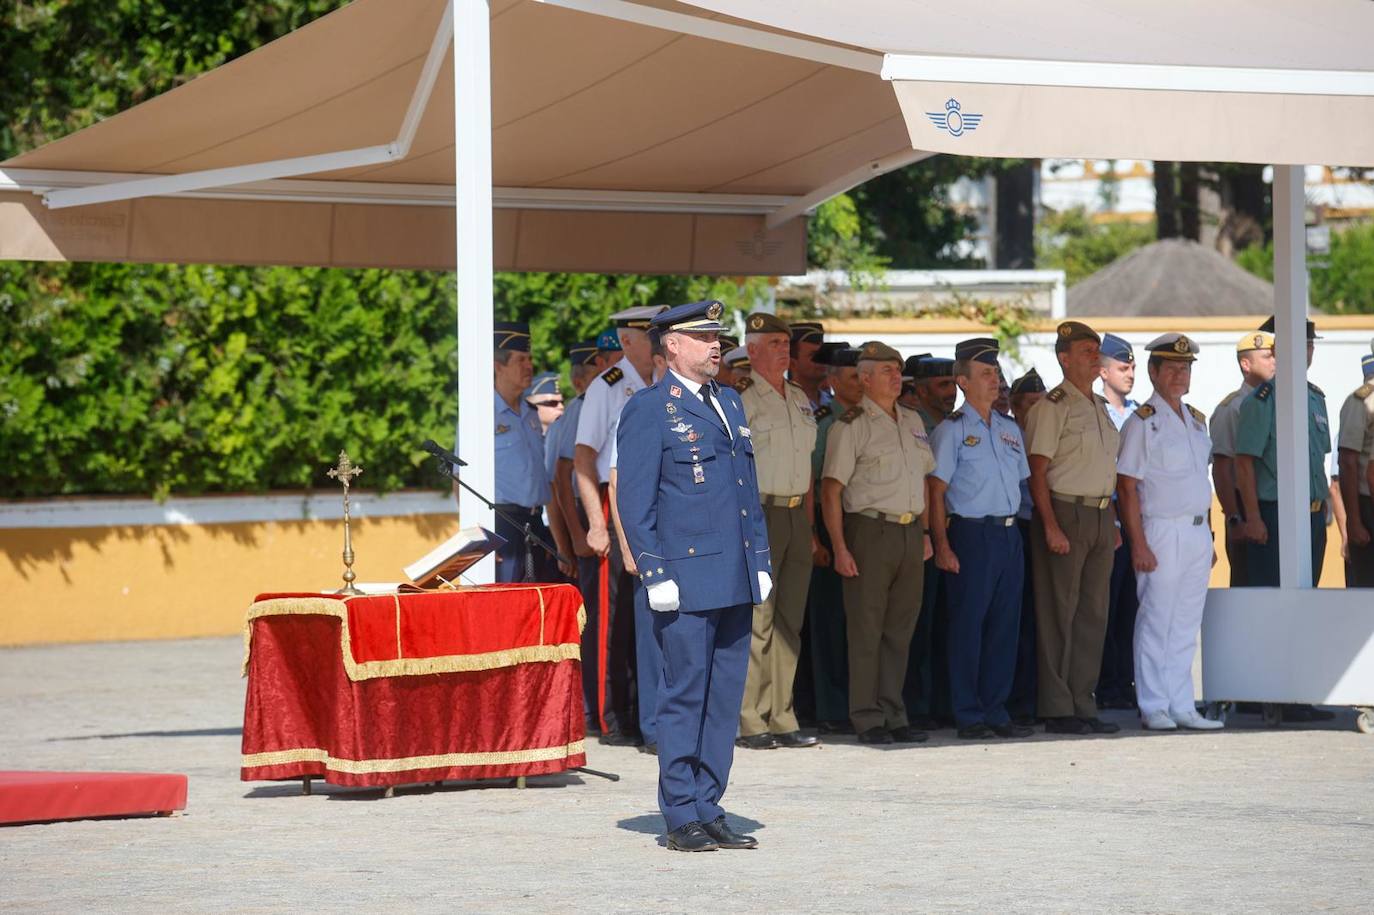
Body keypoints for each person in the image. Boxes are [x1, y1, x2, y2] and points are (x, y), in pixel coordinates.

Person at [615, 299, 771, 853]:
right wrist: (654, 571)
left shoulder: (730, 401)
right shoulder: (650, 409)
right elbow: (636, 502)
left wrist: (761, 561)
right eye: (704, 337)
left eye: (717, 337)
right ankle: (680, 812)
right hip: (684, 576)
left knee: (724, 698)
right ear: (672, 345)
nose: (716, 345)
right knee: (683, 696)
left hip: (733, 572)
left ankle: (709, 804)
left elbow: (746, 493)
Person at [822, 341, 936, 745]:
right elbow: (831, 490)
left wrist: (924, 532)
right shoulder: (850, 426)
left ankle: (893, 711)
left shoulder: (913, 421)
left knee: (900, 629)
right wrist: (840, 547)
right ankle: (867, 716)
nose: (895, 376)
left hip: (908, 532)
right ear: (865, 378)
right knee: (867, 629)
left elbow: (922, 480)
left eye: (897, 369)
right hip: (869, 531)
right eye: (886, 370)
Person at [1115, 334, 1223, 731]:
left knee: (1186, 620)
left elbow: (1201, 482)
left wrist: (1210, 536)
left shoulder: (1196, 419)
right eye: (1173, 368)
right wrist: (1138, 542)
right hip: (1160, 530)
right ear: (1153, 372)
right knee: (1157, 618)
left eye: (1186, 367)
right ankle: (1154, 704)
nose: (1181, 375)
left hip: (1196, 531)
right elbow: (1127, 486)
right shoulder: (1142, 423)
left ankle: (1182, 704)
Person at [928, 338, 1035, 740]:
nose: (996, 381)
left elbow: (1021, 485)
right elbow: (936, 492)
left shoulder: (1009, 430)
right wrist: (942, 545)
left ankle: (996, 709)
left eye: (996, 373)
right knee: (968, 628)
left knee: (1005, 627)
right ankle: (968, 713)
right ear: (963, 382)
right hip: (971, 535)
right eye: (986, 374)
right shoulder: (951, 431)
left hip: (1008, 535)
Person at [1024, 321, 1121, 736]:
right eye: (1085, 351)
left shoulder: (1100, 407)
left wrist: (1112, 520)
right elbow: (1036, 472)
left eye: (1096, 350)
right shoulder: (1052, 406)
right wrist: (1050, 525)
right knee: (1058, 613)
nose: (1094, 357)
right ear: (1064, 359)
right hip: (1064, 512)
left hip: (1099, 515)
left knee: (1092, 615)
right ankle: (1057, 705)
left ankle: (1084, 701)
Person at [574, 305, 666, 745]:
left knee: (651, 619)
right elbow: (584, 458)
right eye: (654, 335)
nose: (662, 341)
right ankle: (610, 715)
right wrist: (596, 522)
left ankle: (641, 713)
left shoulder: (665, 381)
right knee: (612, 623)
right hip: (616, 511)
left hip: (658, 509)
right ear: (629, 341)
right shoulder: (607, 387)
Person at [735, 312, 820, 750]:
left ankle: (783, 716)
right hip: (759, 514)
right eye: (773, 343)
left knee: (789, 622)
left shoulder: (799, 397)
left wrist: (807, 524)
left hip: (793, 513)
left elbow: (805, 466)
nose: (784, 349)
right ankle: (751, 719)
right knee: (758, 620)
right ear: (751, 350)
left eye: (786, 343)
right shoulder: (741, 397)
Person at [1234, 318, 1330, 589]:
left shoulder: (1315, 397)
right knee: (1271, 598)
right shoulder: (1262, 400)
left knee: (1308, 597)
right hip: (1275, 516)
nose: (1306, 352)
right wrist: (1253, 518)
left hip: (1312, 515)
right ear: (1277, 351)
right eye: (1299, 345)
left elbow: (1319, 458)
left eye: (1309, 345)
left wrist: (1323, 506)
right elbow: (1243, 463)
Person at [549, 337, 607, 730]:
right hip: (586, 518)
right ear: (583, 378)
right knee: (592, 622)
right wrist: (573, 538)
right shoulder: (580, 411)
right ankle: (588, 709)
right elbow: (561, 478)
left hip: (597, 514)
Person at [806, 343, 861, 733]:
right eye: (854, 377)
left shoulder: (870, 418)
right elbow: (814, 482)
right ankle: (829, 707)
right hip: (829, 524)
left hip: (863, 524)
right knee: (829, 621)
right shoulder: (825, 420)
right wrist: (815, 536)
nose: (862, 383)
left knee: (858, 623)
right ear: (833, 382)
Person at [903, 352, 957, 728]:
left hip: (952, 533)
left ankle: (940, 701)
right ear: (920, 391)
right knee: (917, 628)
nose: (951, 392)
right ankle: (917, 705)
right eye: (942, 385)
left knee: (945, 626)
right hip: (923, 533)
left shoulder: (952, 424)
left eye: (954, 384)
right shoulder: (916, 425)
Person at [480, 321, 553, 584]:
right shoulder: (480, 414)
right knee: (505, 608)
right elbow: (460, 477)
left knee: (538, 608)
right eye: (520, 359)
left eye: (530, 359)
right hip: (502, 525)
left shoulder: (531, 414)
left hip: (535, 525)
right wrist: (481, 534)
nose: (529, 366)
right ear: (497, 365)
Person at [1209, 331, 1276, 587]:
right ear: (1246, 364)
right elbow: (1222, 468)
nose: (1274, 361)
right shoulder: (1232, 408)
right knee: (1249, 586)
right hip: (1246, 509)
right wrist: (1235, 518)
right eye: (1268, 356)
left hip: (1275, 505)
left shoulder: (1279, 401)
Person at [1096, 333, 1139, 711]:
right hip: (1109, 522)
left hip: (1139, 523)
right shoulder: (1095, 413)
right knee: (1105, 609)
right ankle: (1106, 683)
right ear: (1102, 371)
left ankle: (1127, 680)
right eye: (1123, 368)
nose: (1131, 374)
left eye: (1132, 367)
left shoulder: (1141, 413)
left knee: (1133, 608)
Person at [1007, 368, 1047, 724]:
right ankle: (1018, 699)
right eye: (1032, 404)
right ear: (1016, 409)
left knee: (1042, 616)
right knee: (1019, 617)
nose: (1039, 410)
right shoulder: (1011, 436)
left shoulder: (1049, 436)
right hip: (1018, 527)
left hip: (1043, 527)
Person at [1335, 350, 1374, 586]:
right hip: (1367, 507)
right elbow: (1347, 462)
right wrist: (1354, 521)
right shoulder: (1361, 401)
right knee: (1367, 593)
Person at [789, 322, 829, 411]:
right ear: (792, 364)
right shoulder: (781, 404)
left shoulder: (833, 402)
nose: (822, 359)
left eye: (823, 353)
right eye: (814, 355)